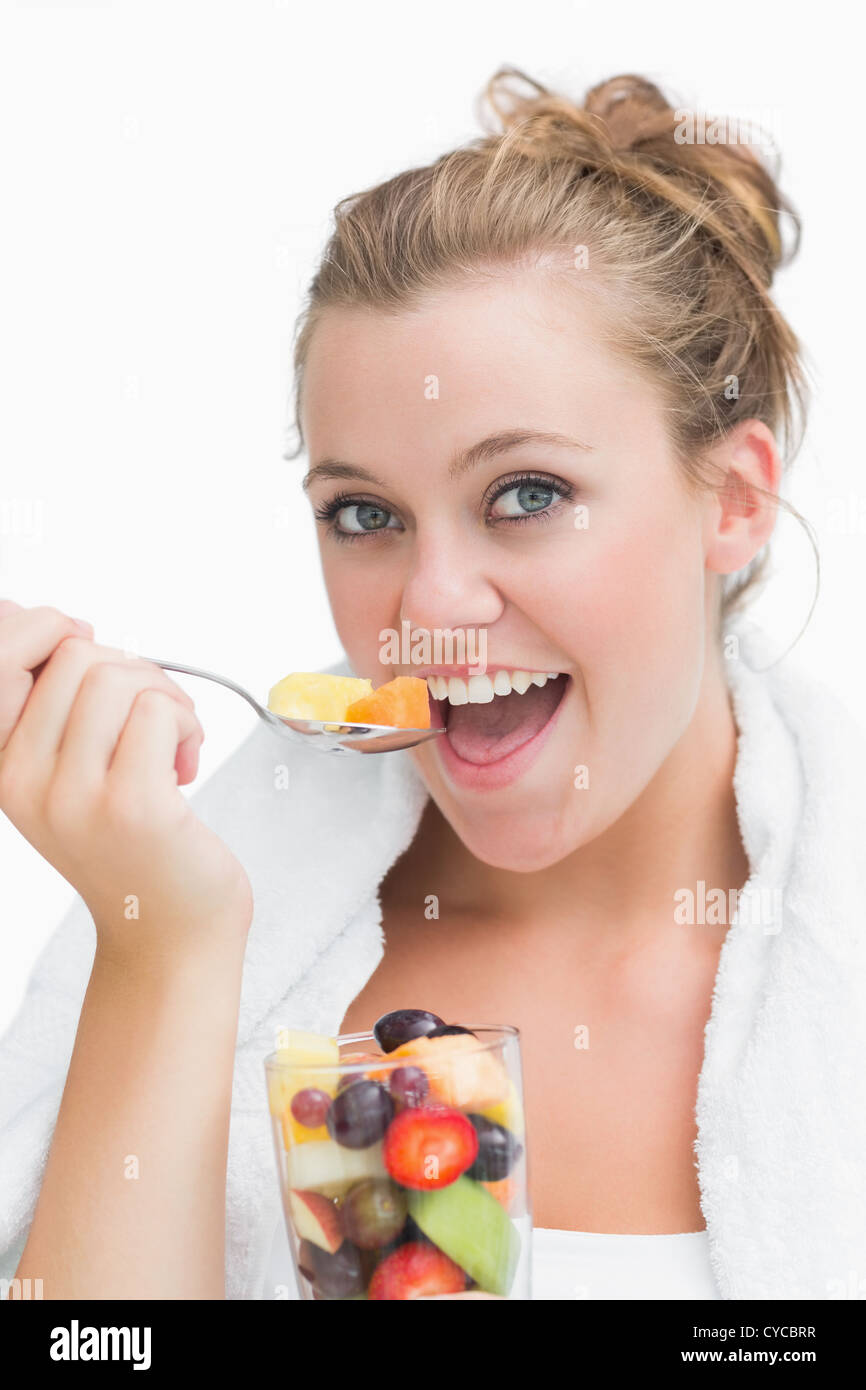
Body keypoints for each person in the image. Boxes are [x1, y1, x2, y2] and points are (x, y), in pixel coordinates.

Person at [2, 68, 864, 1302]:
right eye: (364, 513)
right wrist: (168, 950)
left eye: (525, 494)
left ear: (731, 501)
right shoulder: (218, 935)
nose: (424, 607)